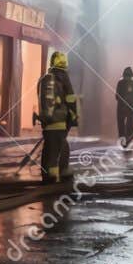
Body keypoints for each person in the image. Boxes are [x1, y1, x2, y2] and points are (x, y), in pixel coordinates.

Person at [35, 51, 80, 183]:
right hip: (60, 122)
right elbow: (71, 99)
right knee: (59, 149)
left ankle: (49, 176)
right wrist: (74, 117)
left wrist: (45, 118)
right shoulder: (63, 78)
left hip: (48, 123)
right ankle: (54, 178)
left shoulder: (44, 79)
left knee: (50, 149)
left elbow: (42, 99)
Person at [115, 66, 133, 142]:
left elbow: (117, 96)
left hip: (127, 105)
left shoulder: (125, 82)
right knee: (122, 123)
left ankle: (126, 136)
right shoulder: (130, 82)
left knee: (127, 123)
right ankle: (126, 136)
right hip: (124, 105)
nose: (127, 78)